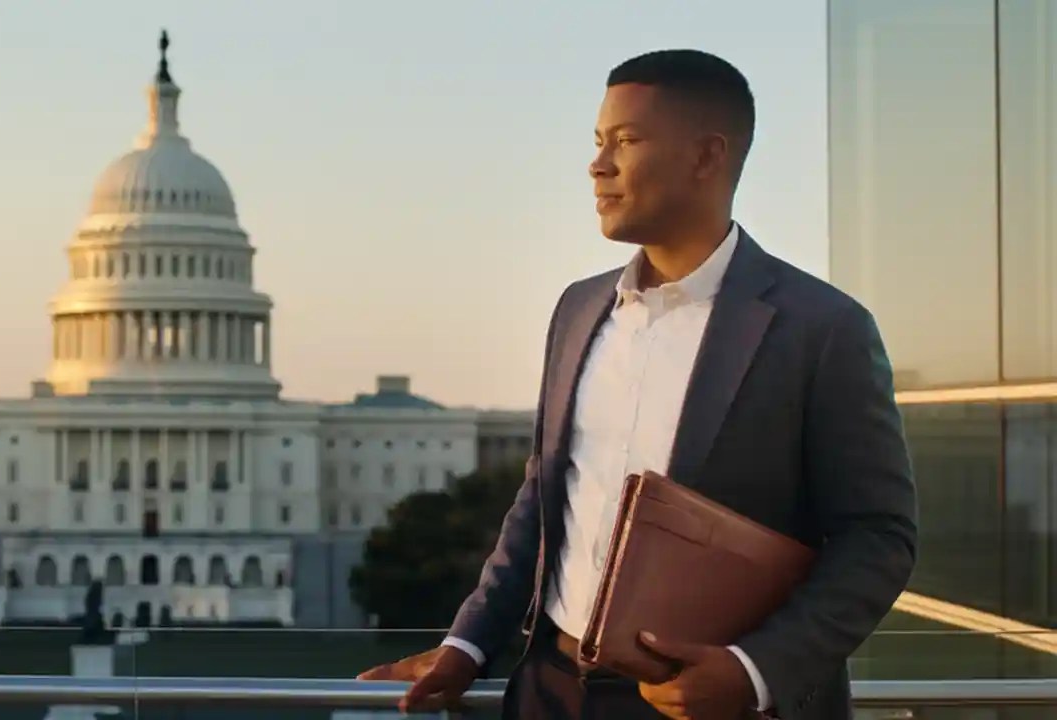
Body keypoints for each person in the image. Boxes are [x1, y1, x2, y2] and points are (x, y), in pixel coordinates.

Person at [356, 48, 918, 720]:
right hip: (550, 693)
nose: (598, 165)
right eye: (598, 142)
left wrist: (753, 671)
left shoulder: (823, 328)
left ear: (707, 157)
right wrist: (468, 643)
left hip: (709, 702)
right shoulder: (578, 309)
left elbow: (877, 537)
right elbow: (543, 496)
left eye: (626, 141)